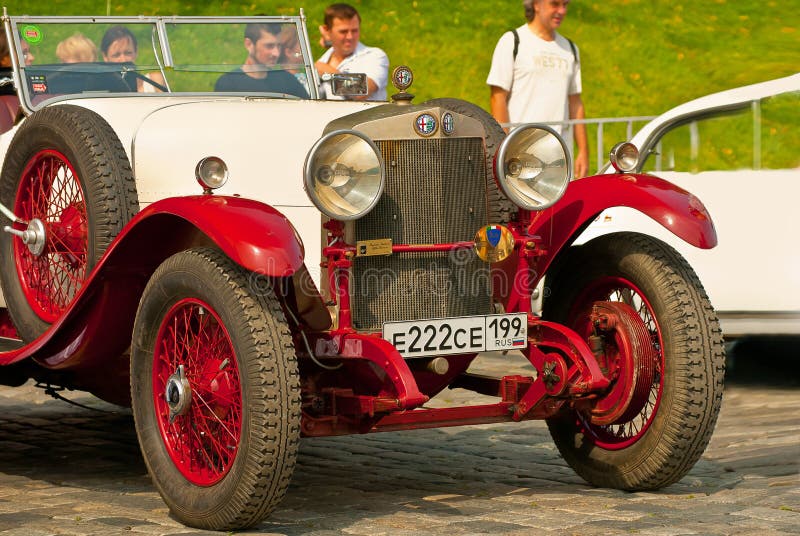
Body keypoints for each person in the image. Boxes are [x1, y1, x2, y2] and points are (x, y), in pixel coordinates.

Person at [487, 0, 588, 178]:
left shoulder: (570, 49)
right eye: (555, 4)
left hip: (559, 158)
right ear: (536, 5)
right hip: (520, 156)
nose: (561, 11)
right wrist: (504, 148)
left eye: (565, 5)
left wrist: (583, 151)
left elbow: (575, 102)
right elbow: (498, 98)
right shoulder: (513, 41)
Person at [315, 3, 389, 101]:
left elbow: (362, 91)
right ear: (327, 30)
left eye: (354, 31)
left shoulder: (375, 56)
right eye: (343, 32)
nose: (350, 37)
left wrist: (329, 72)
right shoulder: (323, 60)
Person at [214, 22, 309, 98]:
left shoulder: (288, 81)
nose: (276, 53)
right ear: (249, 44)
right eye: (269, 46)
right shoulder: (228, 84)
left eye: (279, 46)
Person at [101, 25, 165, 92]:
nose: (123, 60)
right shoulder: (101, 90)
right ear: (105, 57)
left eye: (128, 53)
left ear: (136, 52)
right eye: (116, 55)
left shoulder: (154, 82)